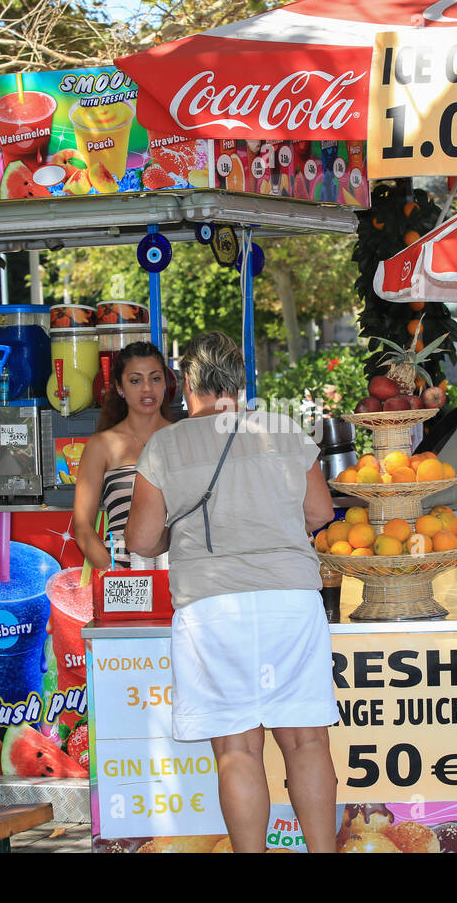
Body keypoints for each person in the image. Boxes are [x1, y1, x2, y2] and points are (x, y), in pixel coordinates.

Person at [126, 331, 339, 853]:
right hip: (291, 599)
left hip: (211, 606)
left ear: (186, 383)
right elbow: (320, 513)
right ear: (240, 380)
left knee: (238, 752)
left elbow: (141, 540)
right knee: (306, 740)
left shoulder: (165, 445)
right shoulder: (284, 430)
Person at [72, 341, 175, 570]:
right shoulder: (101, 445)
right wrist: (112, 573)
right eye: (135, 380)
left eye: (155, 378)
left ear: (165, 384)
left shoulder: (182, 438)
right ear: (120, 387)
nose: (147, 388)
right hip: (122, 578)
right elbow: (82, 527)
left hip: (180, 576)